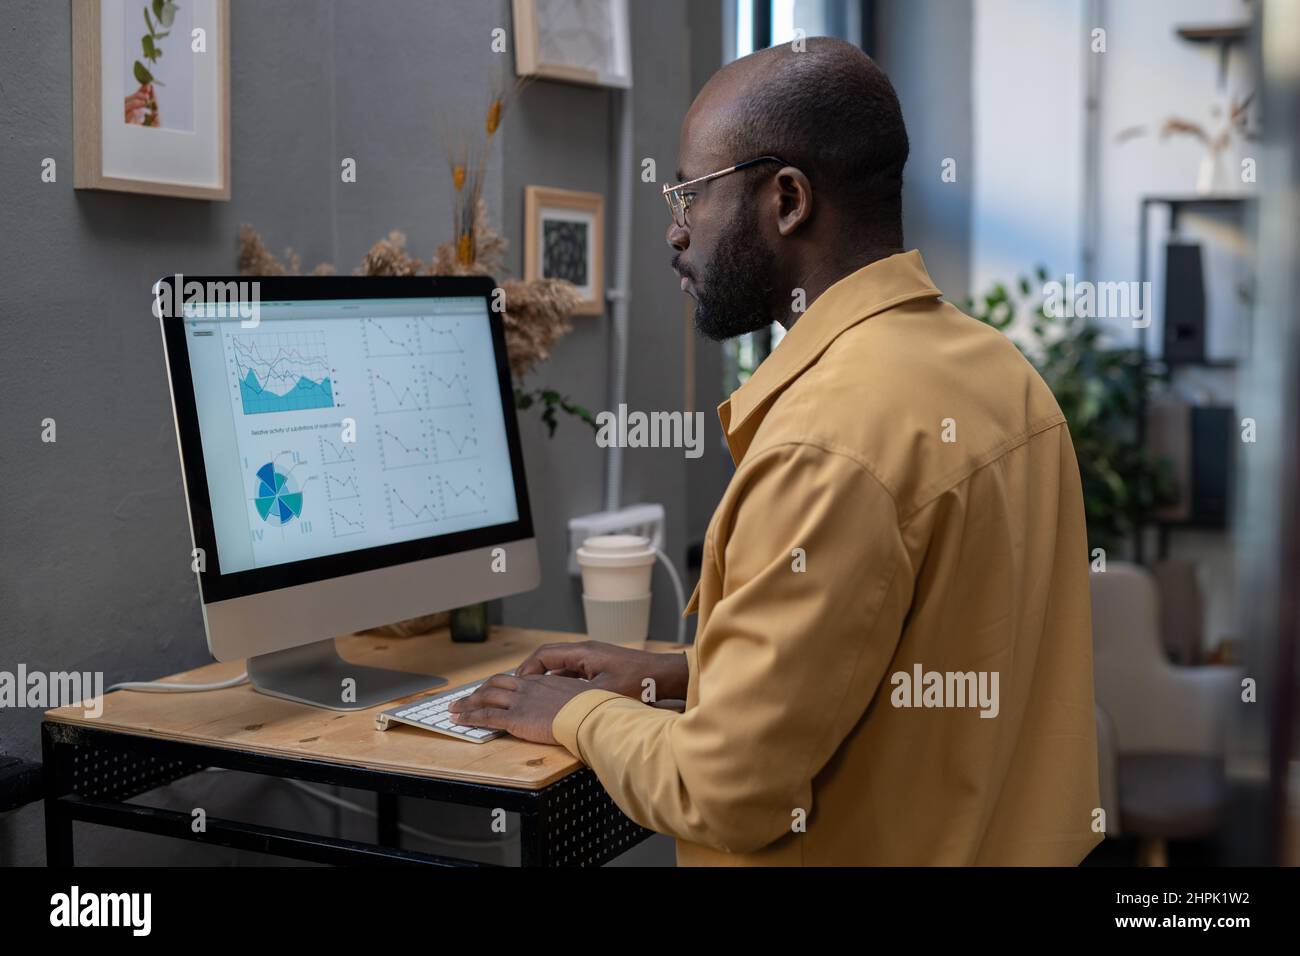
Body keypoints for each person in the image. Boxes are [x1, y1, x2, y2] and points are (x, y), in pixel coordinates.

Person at [452, 37, 1102, 866]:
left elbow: (724, 792)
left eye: (689, 194)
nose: (675, 235)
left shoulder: (825, 442)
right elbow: (903, 657)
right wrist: (676, 674)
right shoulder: (1002, 377)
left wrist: (568, 713)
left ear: (787, 199)